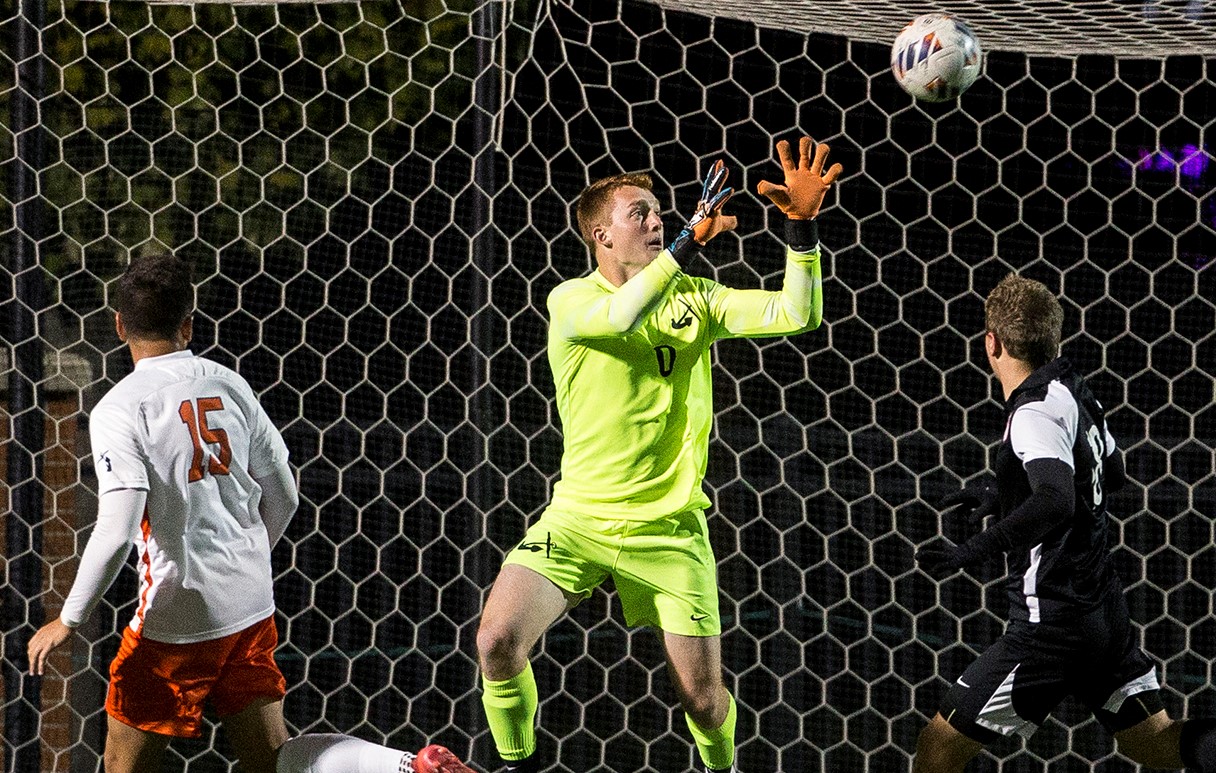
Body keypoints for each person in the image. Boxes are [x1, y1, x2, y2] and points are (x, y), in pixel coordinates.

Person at [476, 137, 843, 773]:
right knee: (496, 640)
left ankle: (720, 769)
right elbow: (621, 318)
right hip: (578, 522)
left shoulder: (693, 299)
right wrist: (684, 247)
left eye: (659, 211)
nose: (657, 220)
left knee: (703, 702)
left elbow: (798, 312)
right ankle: (518, 766)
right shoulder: (572, 302)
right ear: (600, 236)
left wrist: (801, 232)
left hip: (671, 531)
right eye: (638, 213)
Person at [27, 256, 474, 773]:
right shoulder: (229, 383)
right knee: (272, 759)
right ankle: (404, 766)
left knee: (124, 767)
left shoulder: (119, 408)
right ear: (189, 323)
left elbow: (118, 527)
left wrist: (69, 618)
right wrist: (247, 557)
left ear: (120, 324)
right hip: (250, 603)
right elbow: (284, 493)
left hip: (176, 618)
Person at [913, 273, 1216, 772]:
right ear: (1053, 337)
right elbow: (1110, 471)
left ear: (991, 342)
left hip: (1049, 625)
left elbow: (1056, 501)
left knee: (939, 745)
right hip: (1103, 614)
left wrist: (972, 550)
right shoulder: (1073, 389)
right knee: (1156, 743)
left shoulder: (1031, 410)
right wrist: (1003, 493)